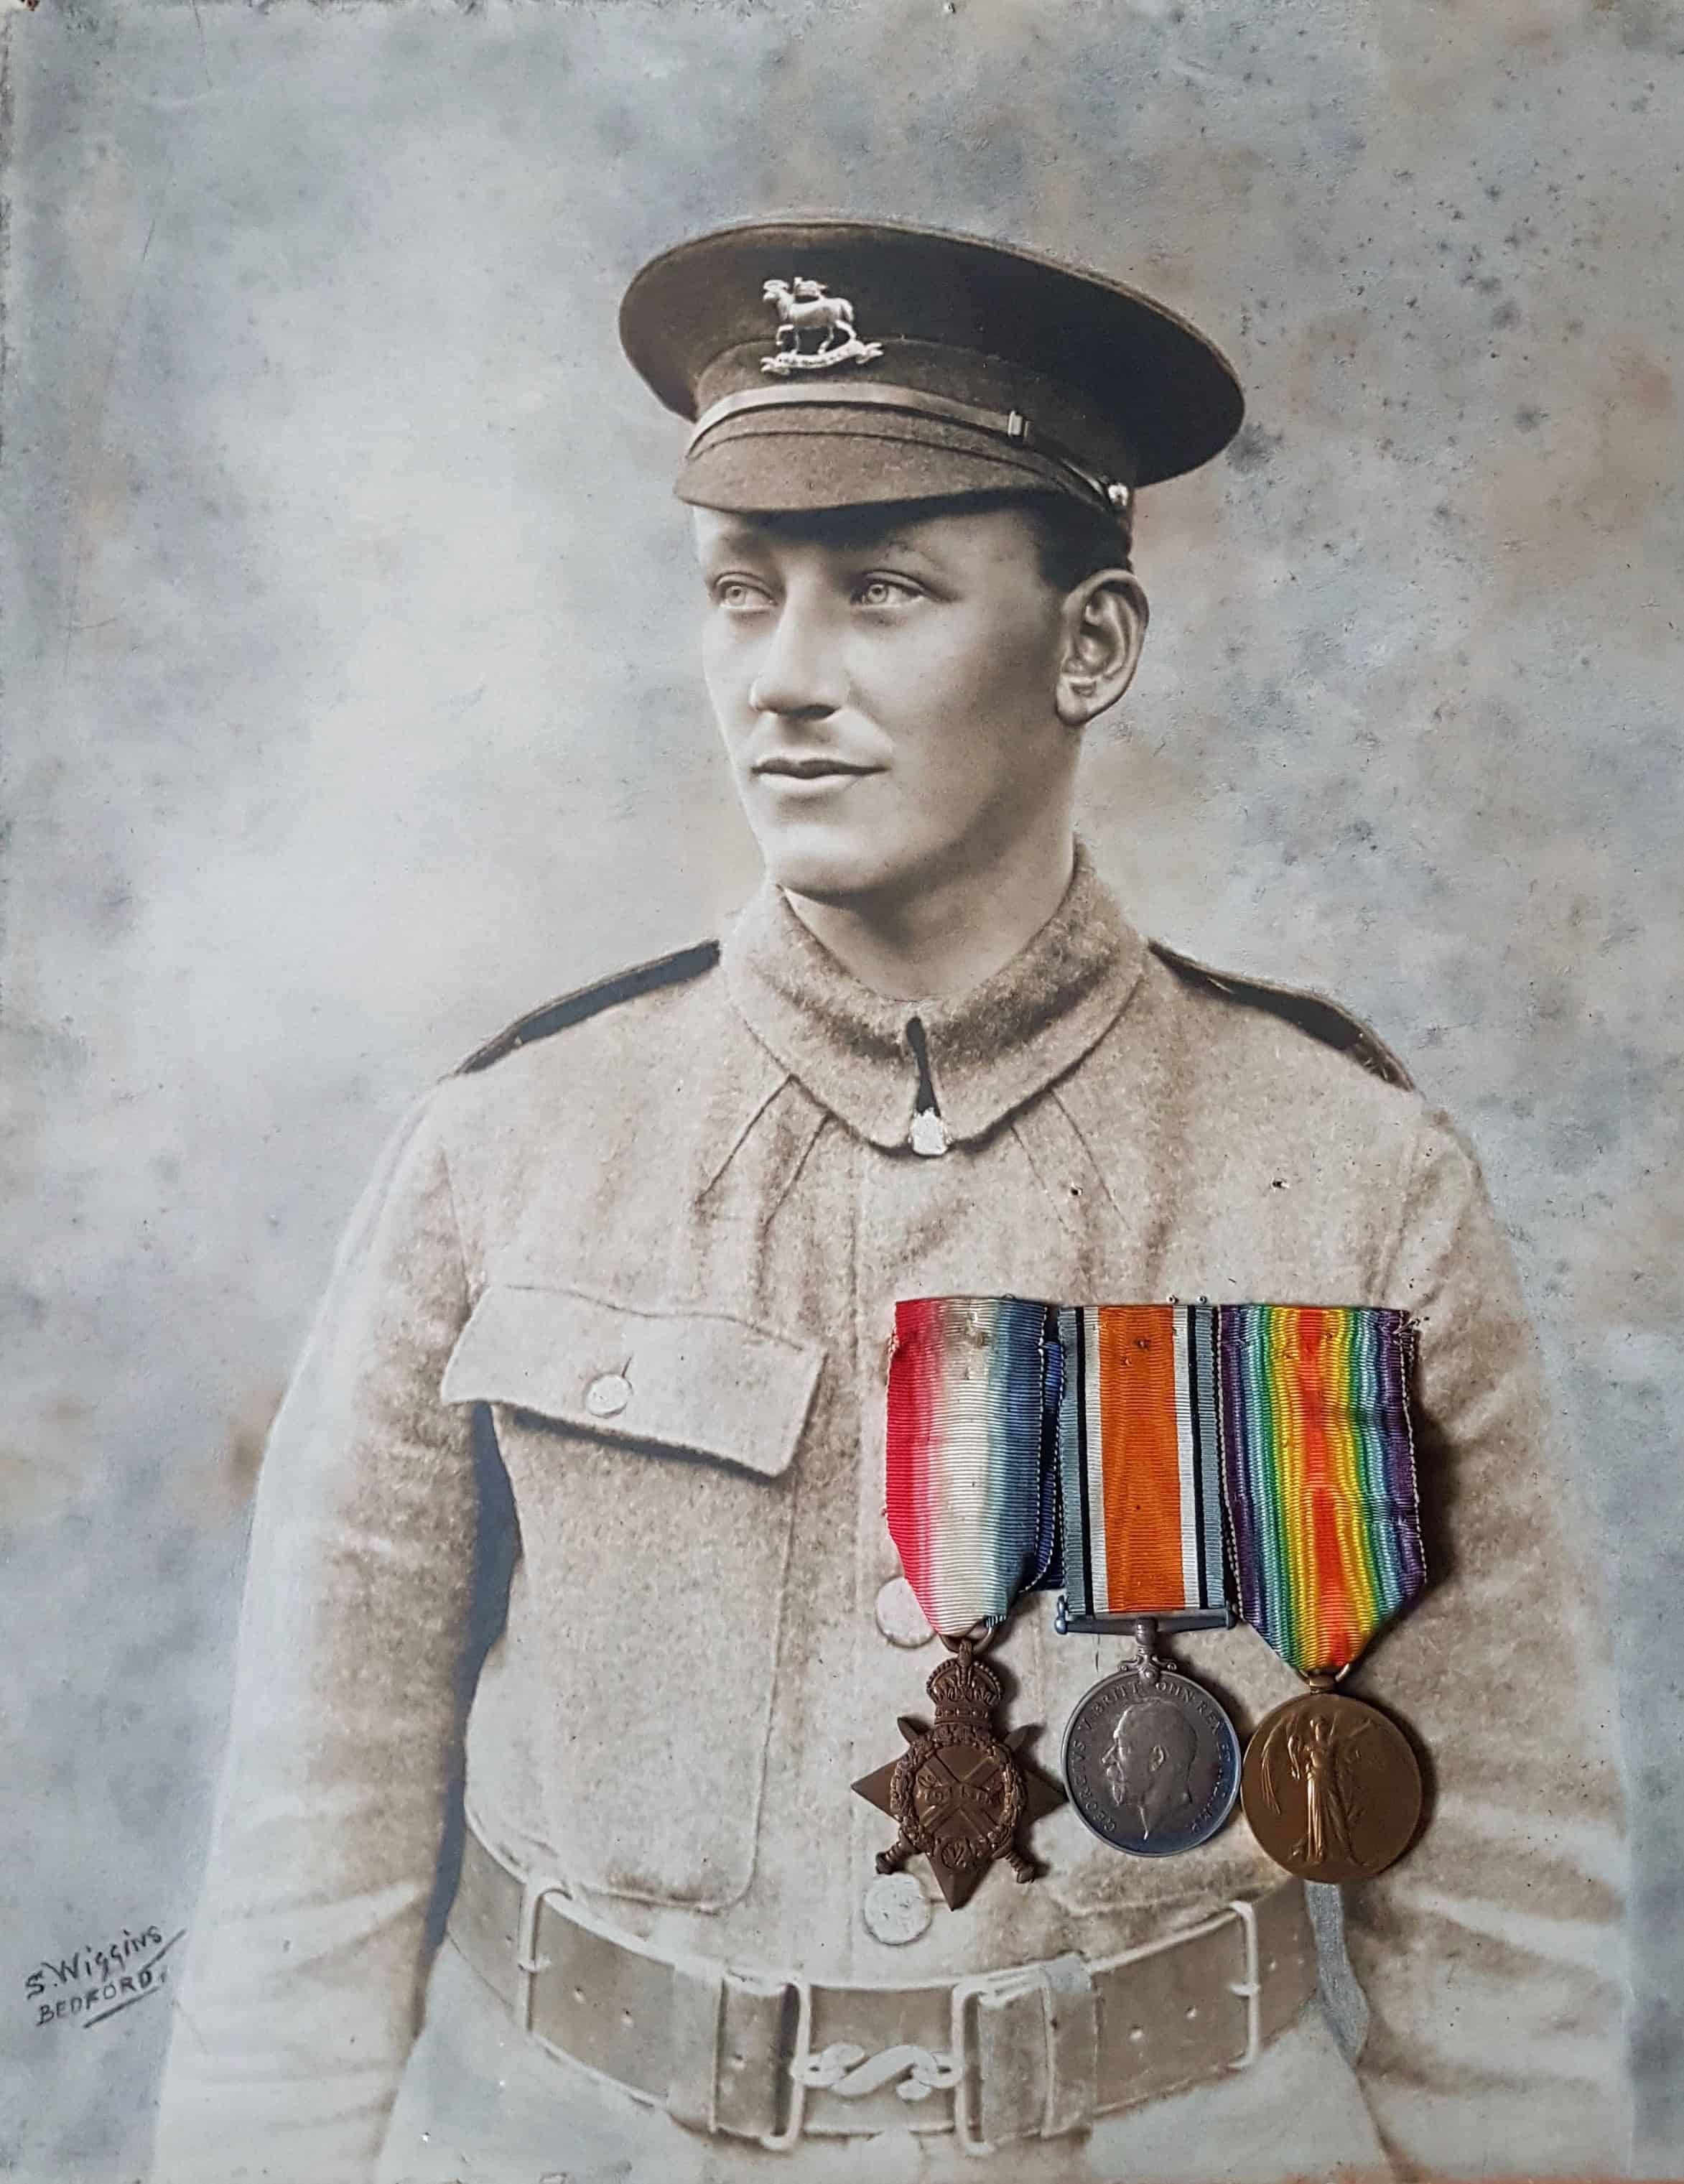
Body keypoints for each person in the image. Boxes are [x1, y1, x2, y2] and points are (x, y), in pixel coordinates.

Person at [152, 218, 1631, 2184]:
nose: (784, 680)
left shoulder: (1353, 1175)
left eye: (885, 592)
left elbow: (1503, 1882)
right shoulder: (510, 1148)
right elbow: (311, 1852)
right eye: (740, 593)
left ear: (1090, 646)